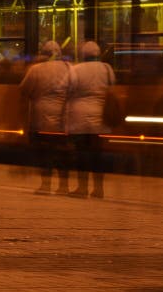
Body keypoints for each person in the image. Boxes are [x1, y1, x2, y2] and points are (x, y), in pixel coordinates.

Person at [19, 40, 71, 195]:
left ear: (44, 54)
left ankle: (45, 185)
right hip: (63, 119)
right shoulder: (70, 68)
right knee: (62, 153)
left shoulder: (36, 69)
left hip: (40, 118)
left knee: (44, 152)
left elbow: (24, 89)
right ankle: (63, 186)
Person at [66, 41, 113, 198]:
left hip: (79, 118)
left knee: (81, 154)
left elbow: (68, 89)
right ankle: (99, 189)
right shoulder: (107, 69)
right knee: (97, 154)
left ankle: (82, 188)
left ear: (83, 55)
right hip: (100, 118)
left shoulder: (76, 70)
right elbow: (111, 86)